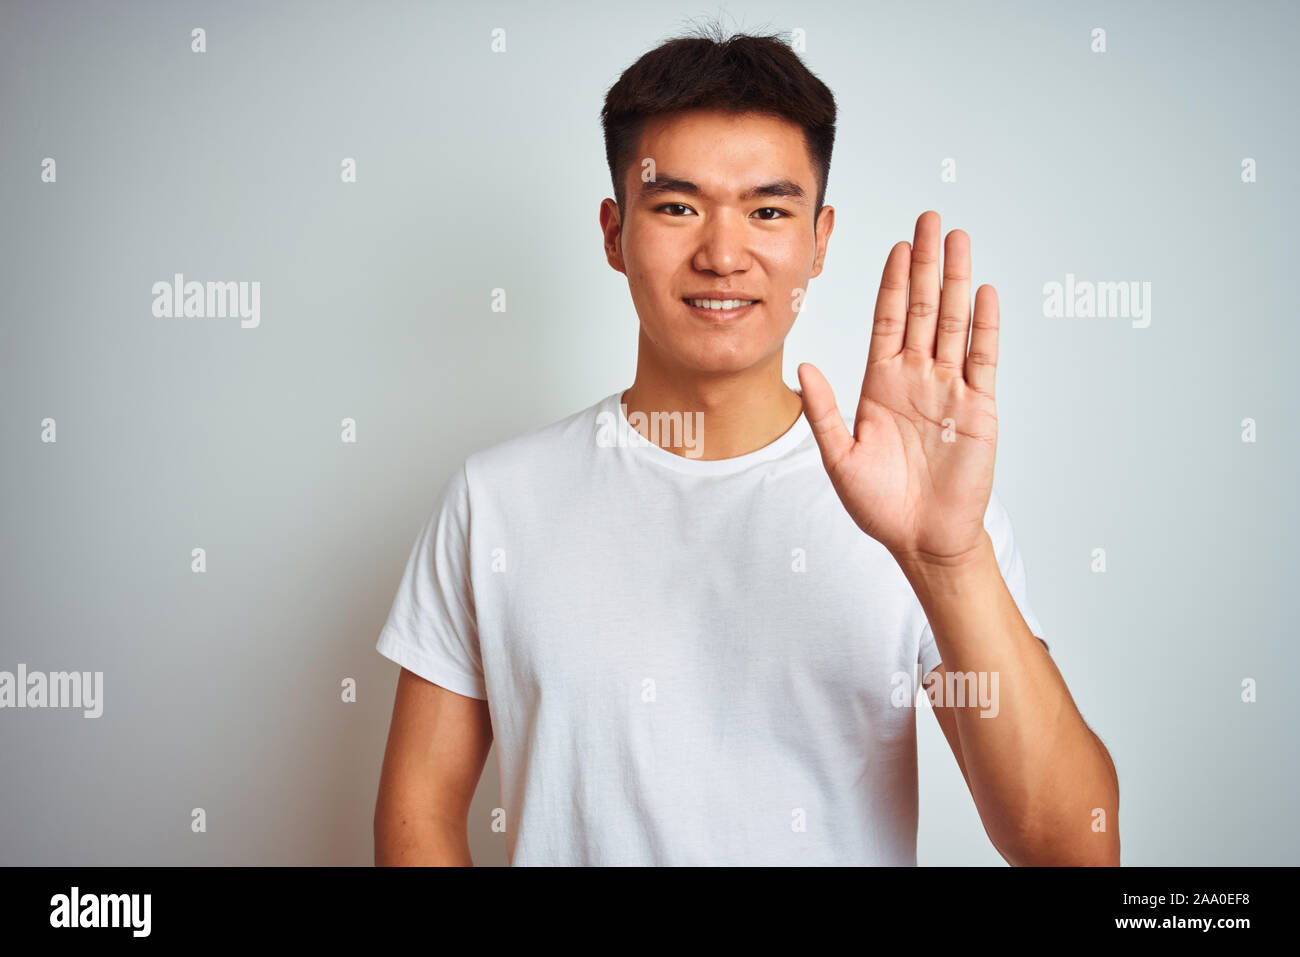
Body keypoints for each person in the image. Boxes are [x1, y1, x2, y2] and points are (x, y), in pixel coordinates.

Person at [373, 25, 1119, 866]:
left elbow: (1071, 847)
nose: (723, 254)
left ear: (819, 240)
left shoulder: (924, 503)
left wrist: (947, 563)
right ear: (615, 234)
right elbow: (419, 812)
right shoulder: (495, 500)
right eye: (678, 206)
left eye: (768, 210)